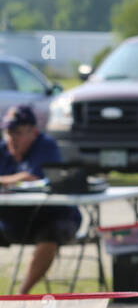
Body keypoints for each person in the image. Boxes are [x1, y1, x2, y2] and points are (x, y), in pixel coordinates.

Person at [0, 104, 82, 294]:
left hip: (50, 217)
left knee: (51, 234)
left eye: (18, 132)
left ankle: (22, 295)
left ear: (33, 132)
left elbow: (35, 178)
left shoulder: (46, 145)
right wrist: (14, 179)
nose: (12, 138)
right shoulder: (3, 149)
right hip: (13, 220)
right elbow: (23, 178)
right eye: (8, 132)